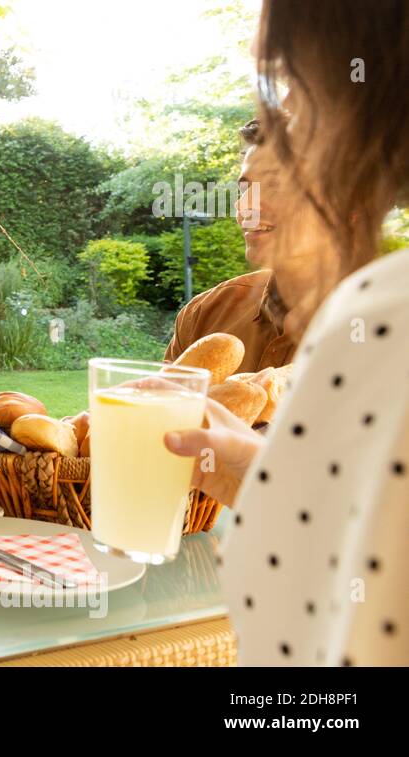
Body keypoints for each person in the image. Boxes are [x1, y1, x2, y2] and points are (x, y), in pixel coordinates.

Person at [164, 0, 408, 666]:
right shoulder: (211, 311)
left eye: (290, 85)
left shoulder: (378, 324)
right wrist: (260, 470)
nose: (251, 205)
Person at [163, 119, 302, 371]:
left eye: (274, 186)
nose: (244, 206)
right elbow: (160, 407)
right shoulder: (203, 315)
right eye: (244, 189)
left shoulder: (382, 327)